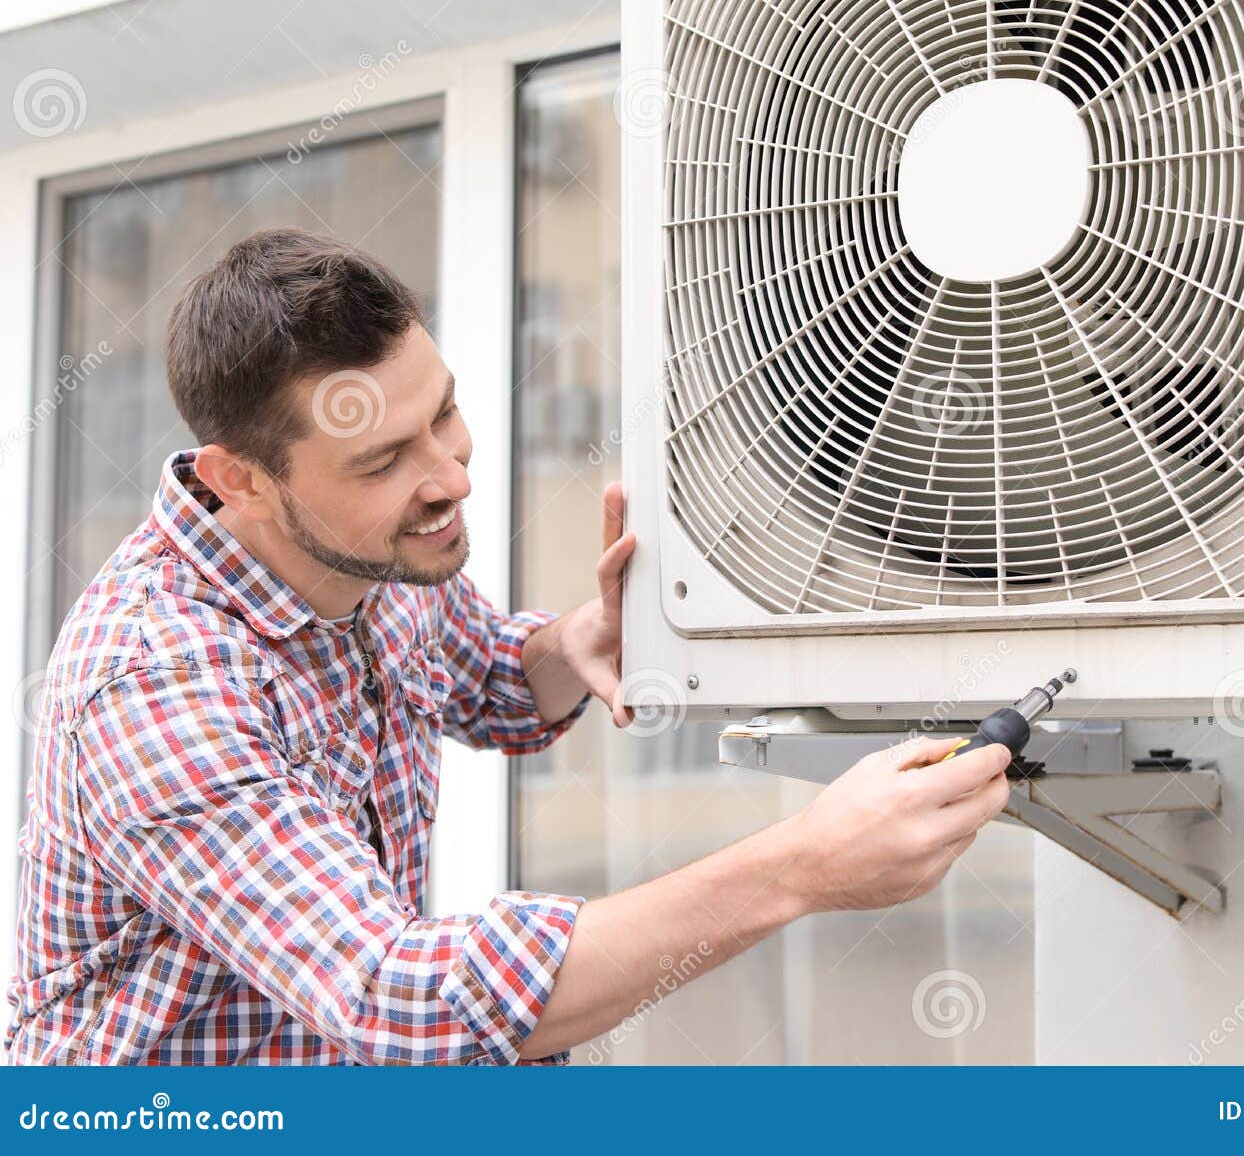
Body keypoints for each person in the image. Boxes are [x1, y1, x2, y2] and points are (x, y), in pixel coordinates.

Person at [6, 228, 1011, 1065]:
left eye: (442, 411)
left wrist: (581, 638)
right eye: (385, 459)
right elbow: (395, 997)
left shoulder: (364, 555)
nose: (452, 476)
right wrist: (799, 866)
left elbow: (482, 669)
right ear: (241, 482)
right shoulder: (153, 684)